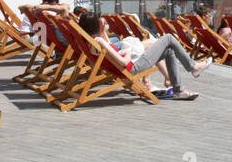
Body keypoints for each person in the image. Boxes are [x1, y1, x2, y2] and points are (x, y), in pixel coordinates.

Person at [78, 11, 206, 100]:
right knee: (168, 38)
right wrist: (127, 50)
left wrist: (102, 32)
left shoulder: (89, 41)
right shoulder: (98, 42)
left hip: (123, 67)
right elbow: (123, 62)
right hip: (132, 67)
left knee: (169, 51)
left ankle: (179, 90)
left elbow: (105, 52)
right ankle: (192, 67)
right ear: (95, 25)